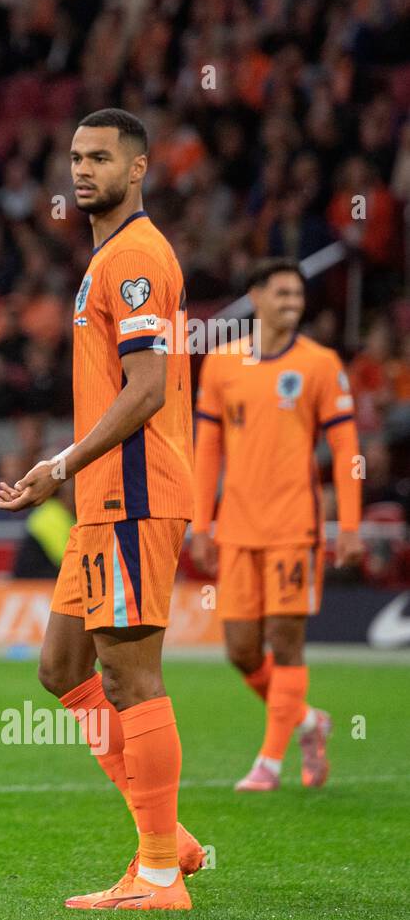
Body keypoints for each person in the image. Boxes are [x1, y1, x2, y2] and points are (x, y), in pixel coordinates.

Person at [0, 109, 202, 911]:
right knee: (62, 667)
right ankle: (168, 836)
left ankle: (159, 873)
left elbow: (146, 390)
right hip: (102, 498)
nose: (83, 170)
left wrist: (62, 463)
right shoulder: (106, 258)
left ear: (139, 167)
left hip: (135, 491)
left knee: (129, 674)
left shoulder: (138, 256)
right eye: (77, 157)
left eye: (102, 158)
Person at [190, 258, 363, 792]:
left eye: (298, 294)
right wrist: (202, 523)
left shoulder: (320, 364)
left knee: (286, 644)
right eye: (282, 293)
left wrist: (349, 524)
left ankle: (269, 762)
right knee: (241, 650)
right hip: (237, 528)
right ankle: (309, 722)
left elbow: (347, 448)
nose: (293, 302)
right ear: (256, 296)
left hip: (294, 527)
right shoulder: (221, 364)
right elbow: (208, 449)